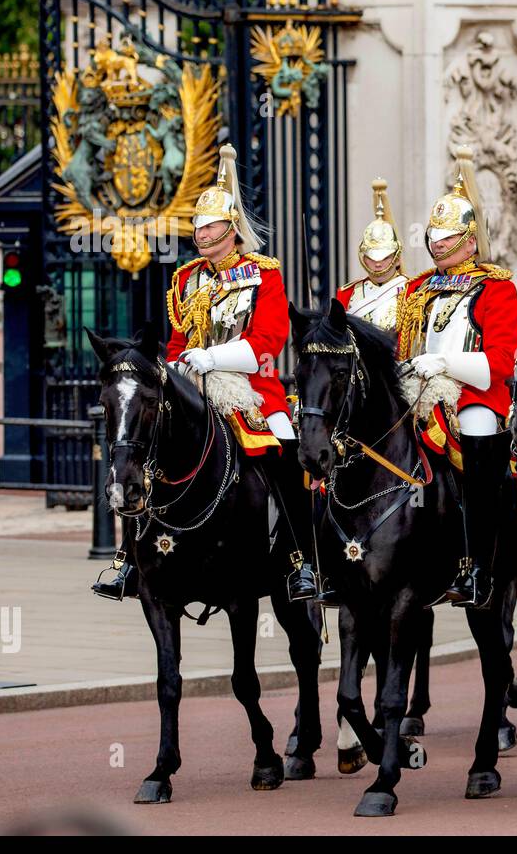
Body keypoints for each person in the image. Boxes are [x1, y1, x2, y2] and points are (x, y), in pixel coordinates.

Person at [93, 143, 318, 601]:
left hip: (249, 389)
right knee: (145, 450)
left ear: (232, 230)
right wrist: (176, 366)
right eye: (197, 226)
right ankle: (126, 559)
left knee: (284, 453)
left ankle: (300, 560)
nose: (201, 233)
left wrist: (213, 358)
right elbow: (177, 341)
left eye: (211, 225)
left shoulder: (263, 275)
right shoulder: (186, 278)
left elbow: (267, 344)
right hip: (188, 385)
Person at [397, 145, 517, 610]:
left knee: (476, 431)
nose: (438, 243)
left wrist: (445, 366)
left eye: (449, 236)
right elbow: (403, 346)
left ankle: (477, 563)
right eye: (435, 235)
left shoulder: (496, 287)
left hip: (474, 396)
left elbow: (501, 362)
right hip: (419, 392)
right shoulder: (416, 288)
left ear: (471, 240)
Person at [335, 178, 407, 334]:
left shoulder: (412, 290)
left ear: (396, 256)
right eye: (372, 258)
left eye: (385, 257)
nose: (378, 264)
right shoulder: (346, 293)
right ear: (363, 257)